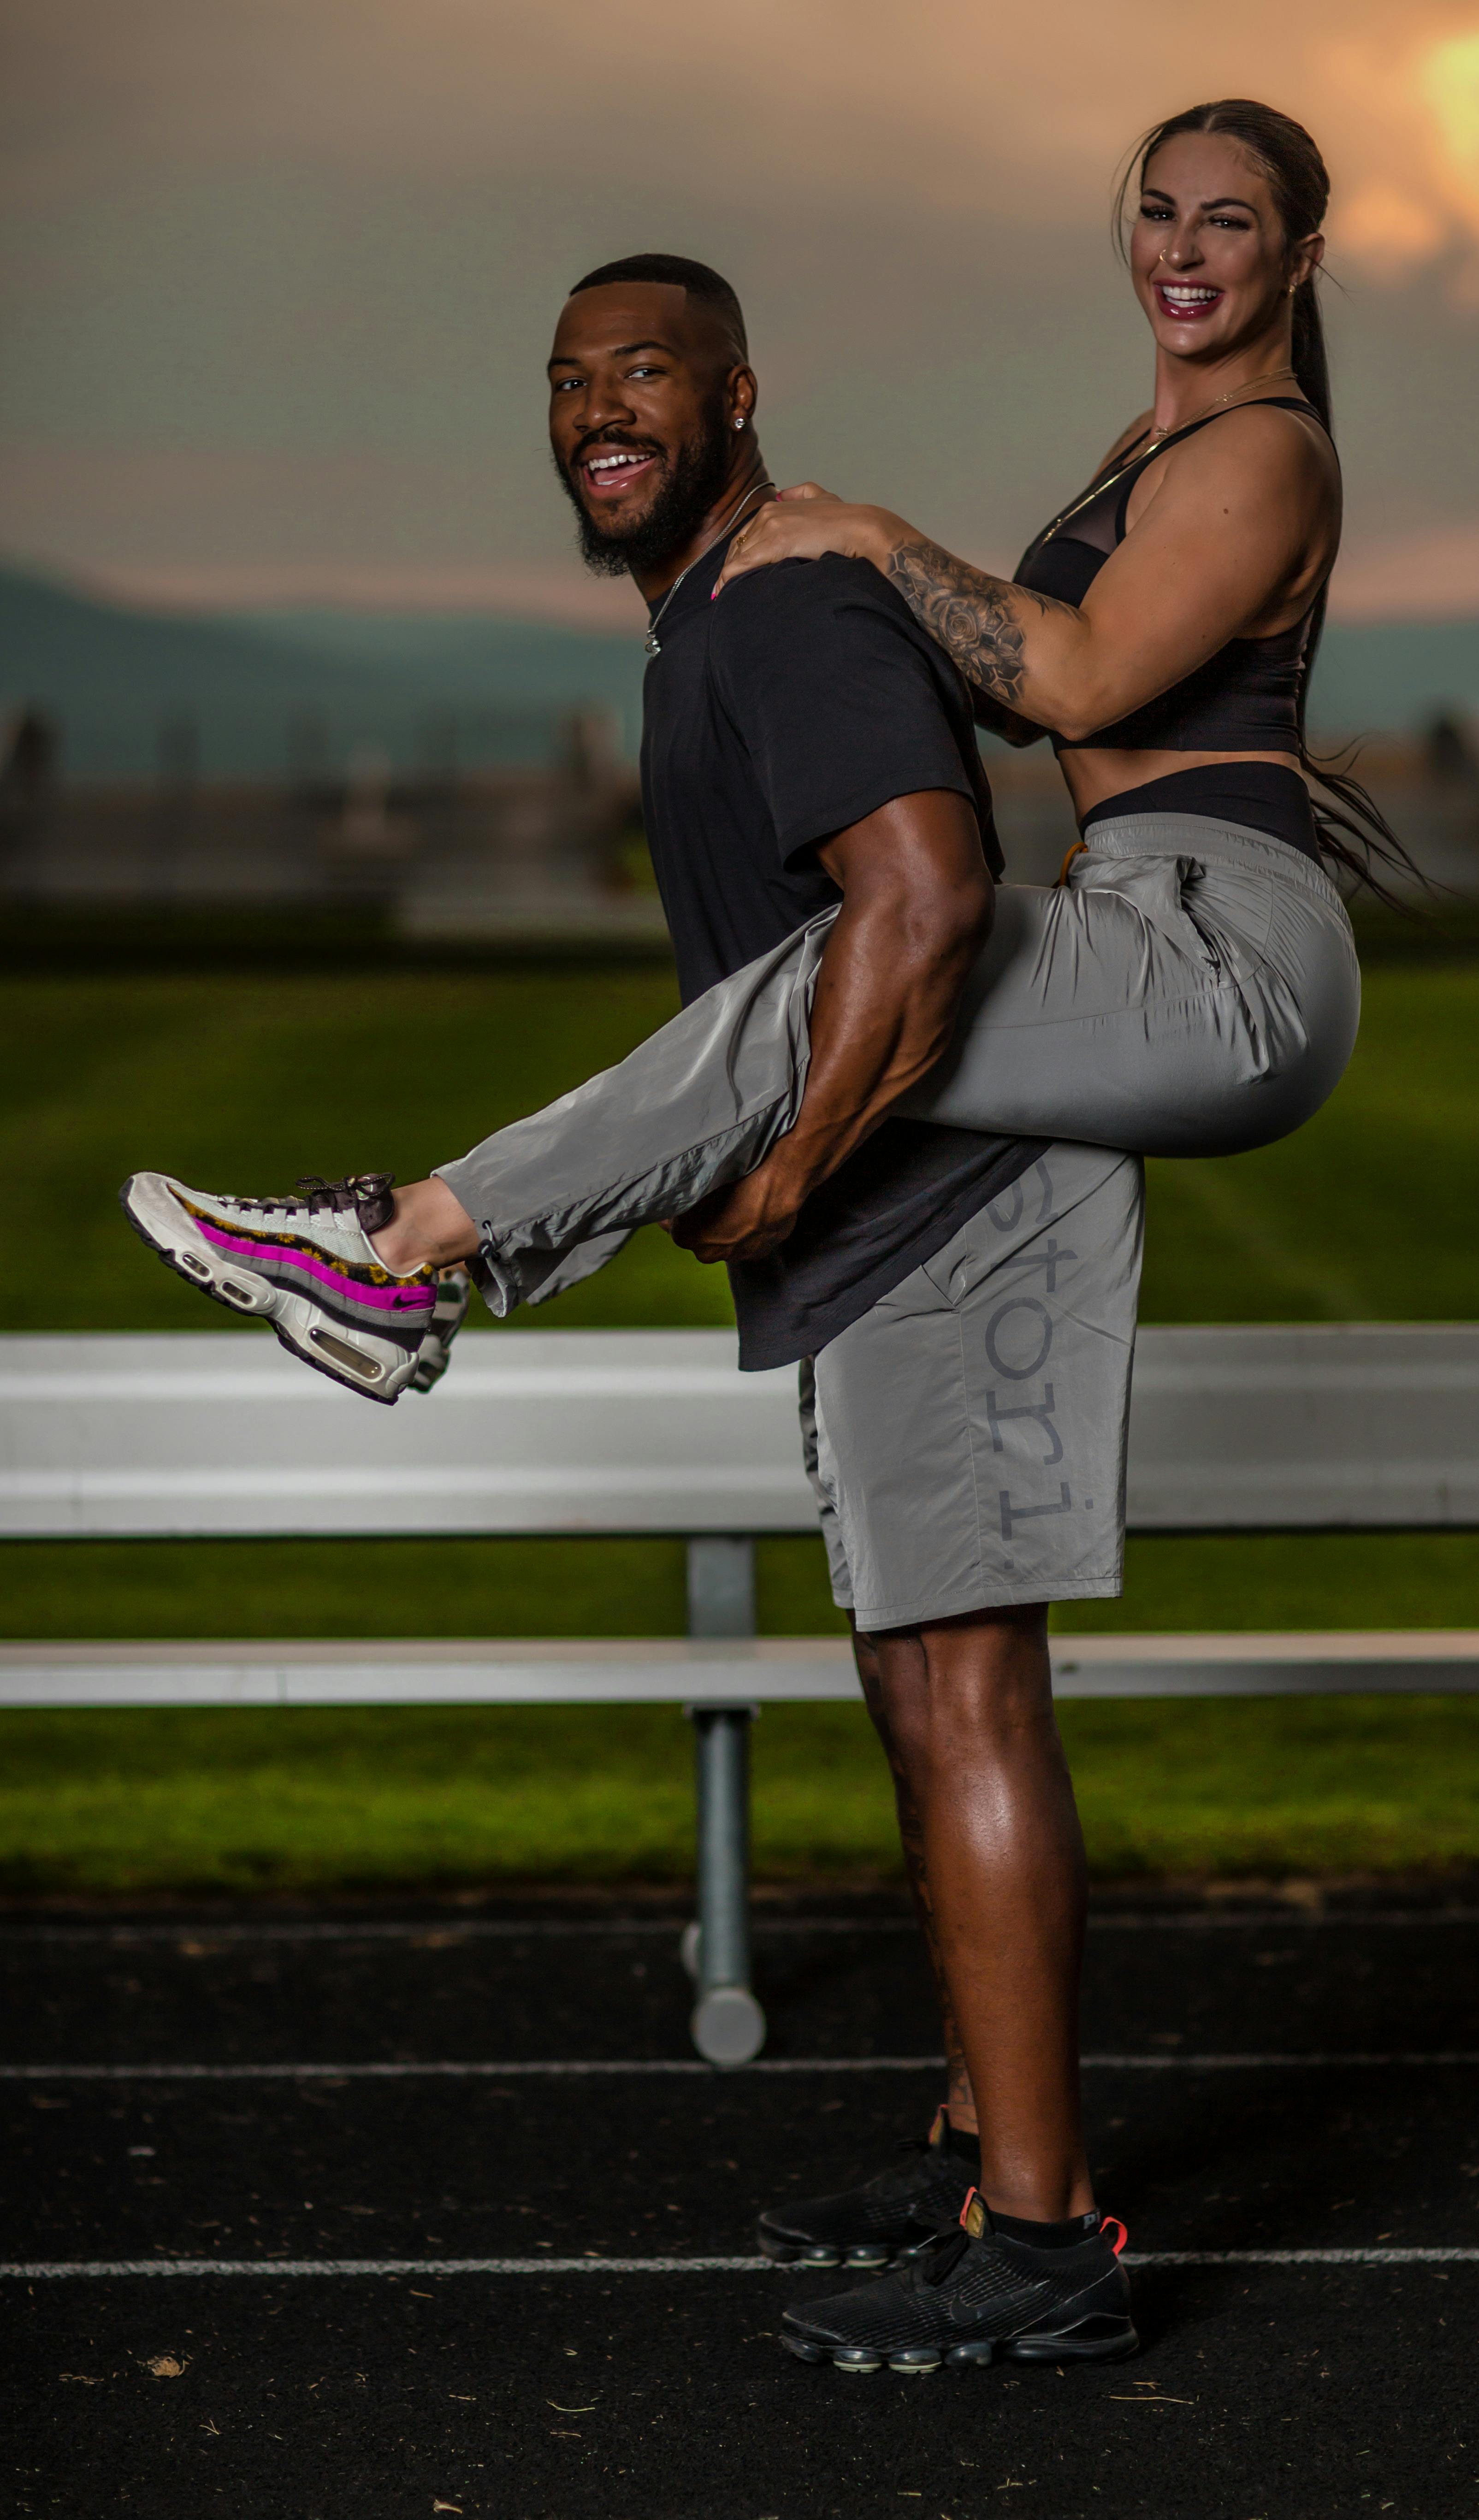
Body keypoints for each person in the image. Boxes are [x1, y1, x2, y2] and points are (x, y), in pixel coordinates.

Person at [122, 96, 1386, 2372]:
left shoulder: (1265, 445)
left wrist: (868, 538)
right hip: (1150, 926)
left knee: (826, 987)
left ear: (1302, 246)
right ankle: (983, 2134)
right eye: (1156, 212)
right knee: (912, 1646)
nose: (1182, 248)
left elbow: (1078, 689)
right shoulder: (1155, 434)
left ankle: (405, 1242)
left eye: (1227, 220)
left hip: (1212, 963)